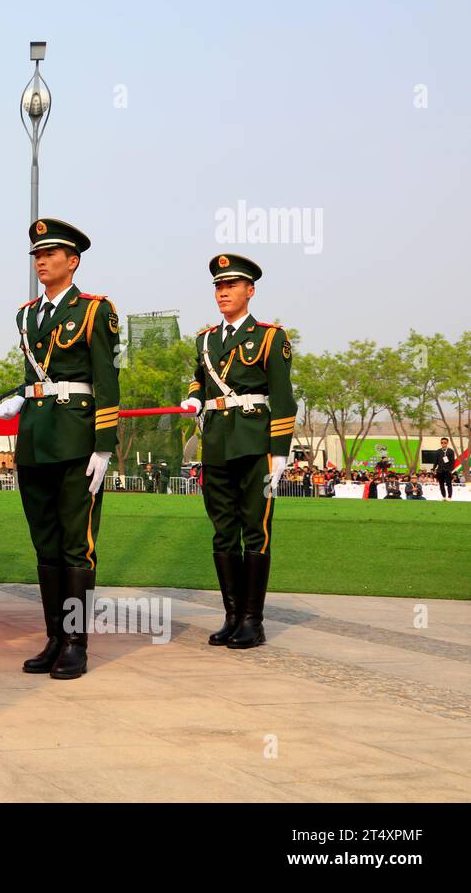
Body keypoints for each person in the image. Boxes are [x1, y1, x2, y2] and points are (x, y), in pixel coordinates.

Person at [0, 218, 120, 680]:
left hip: (77, 438)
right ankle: (53, 637)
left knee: (76, 546)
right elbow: (36, 375)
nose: (41, 261)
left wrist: (103, 446)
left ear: (74, 261)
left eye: (50, 254)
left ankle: (75, 642)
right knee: (45, 546)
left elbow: (107, 379)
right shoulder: (26, 315)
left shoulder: (94, 311)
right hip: (36, 439)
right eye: (37, 256)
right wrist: (21, 397)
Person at [181, 253, 294, 650]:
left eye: (231, 285)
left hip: (254, 444)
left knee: (255, 531)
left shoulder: (269, 336)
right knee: (223, 532)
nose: (223, 292)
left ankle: (253, 620)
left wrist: (279, 452)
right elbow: (200, 380)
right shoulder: (206, 339)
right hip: (216, 445)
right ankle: (231, 616)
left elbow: (283, 396)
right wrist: (194, 399)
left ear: (250, 290)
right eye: (218, 286)